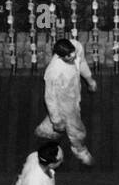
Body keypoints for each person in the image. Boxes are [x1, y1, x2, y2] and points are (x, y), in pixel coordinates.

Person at [34, 37, 98, 165]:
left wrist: (90, 80)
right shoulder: (53, 72)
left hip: (74, 91)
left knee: (63, 118)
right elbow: (50, 99)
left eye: (73, 52)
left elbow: (82, 62)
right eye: (69, 56)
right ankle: (79, 149)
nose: (73, 56)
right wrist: (57, 121)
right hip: (64, 102)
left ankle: (47, 128)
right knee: (76, 127)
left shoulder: (76, 46)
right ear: (60, 56)